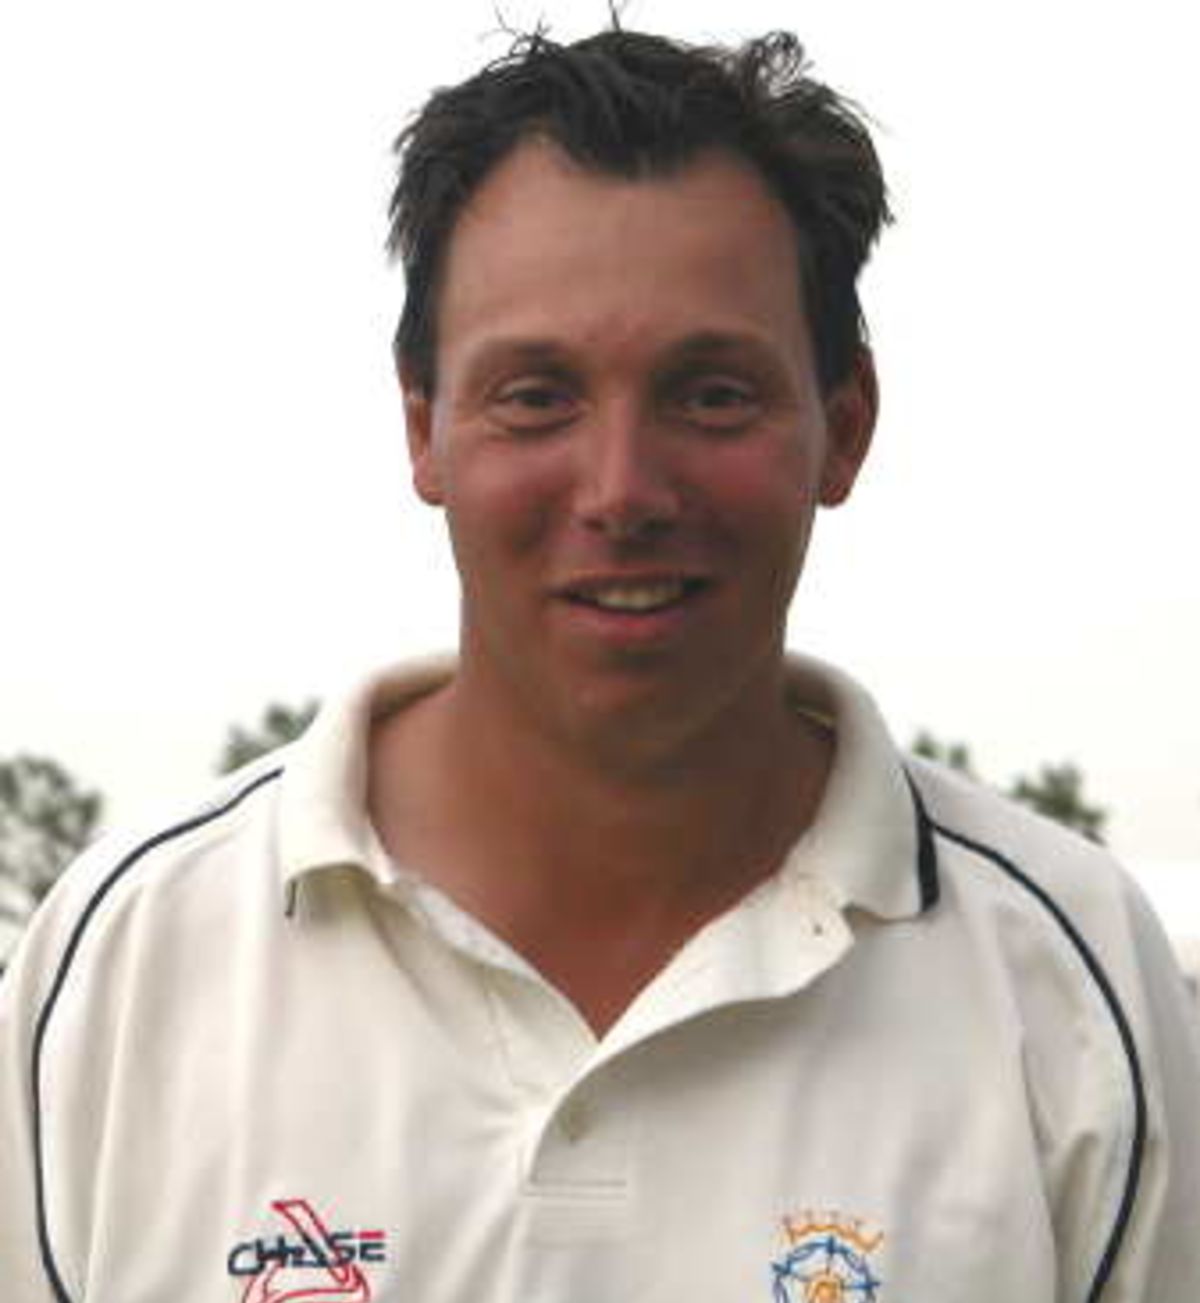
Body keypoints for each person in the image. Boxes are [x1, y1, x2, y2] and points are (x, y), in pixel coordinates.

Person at [2, 27, 1197, 1303]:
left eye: (713, 394)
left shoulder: (1072, 987)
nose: (623, 490)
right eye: (536, 395)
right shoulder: (125, 966)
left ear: (843, 428)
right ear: (426, 426)